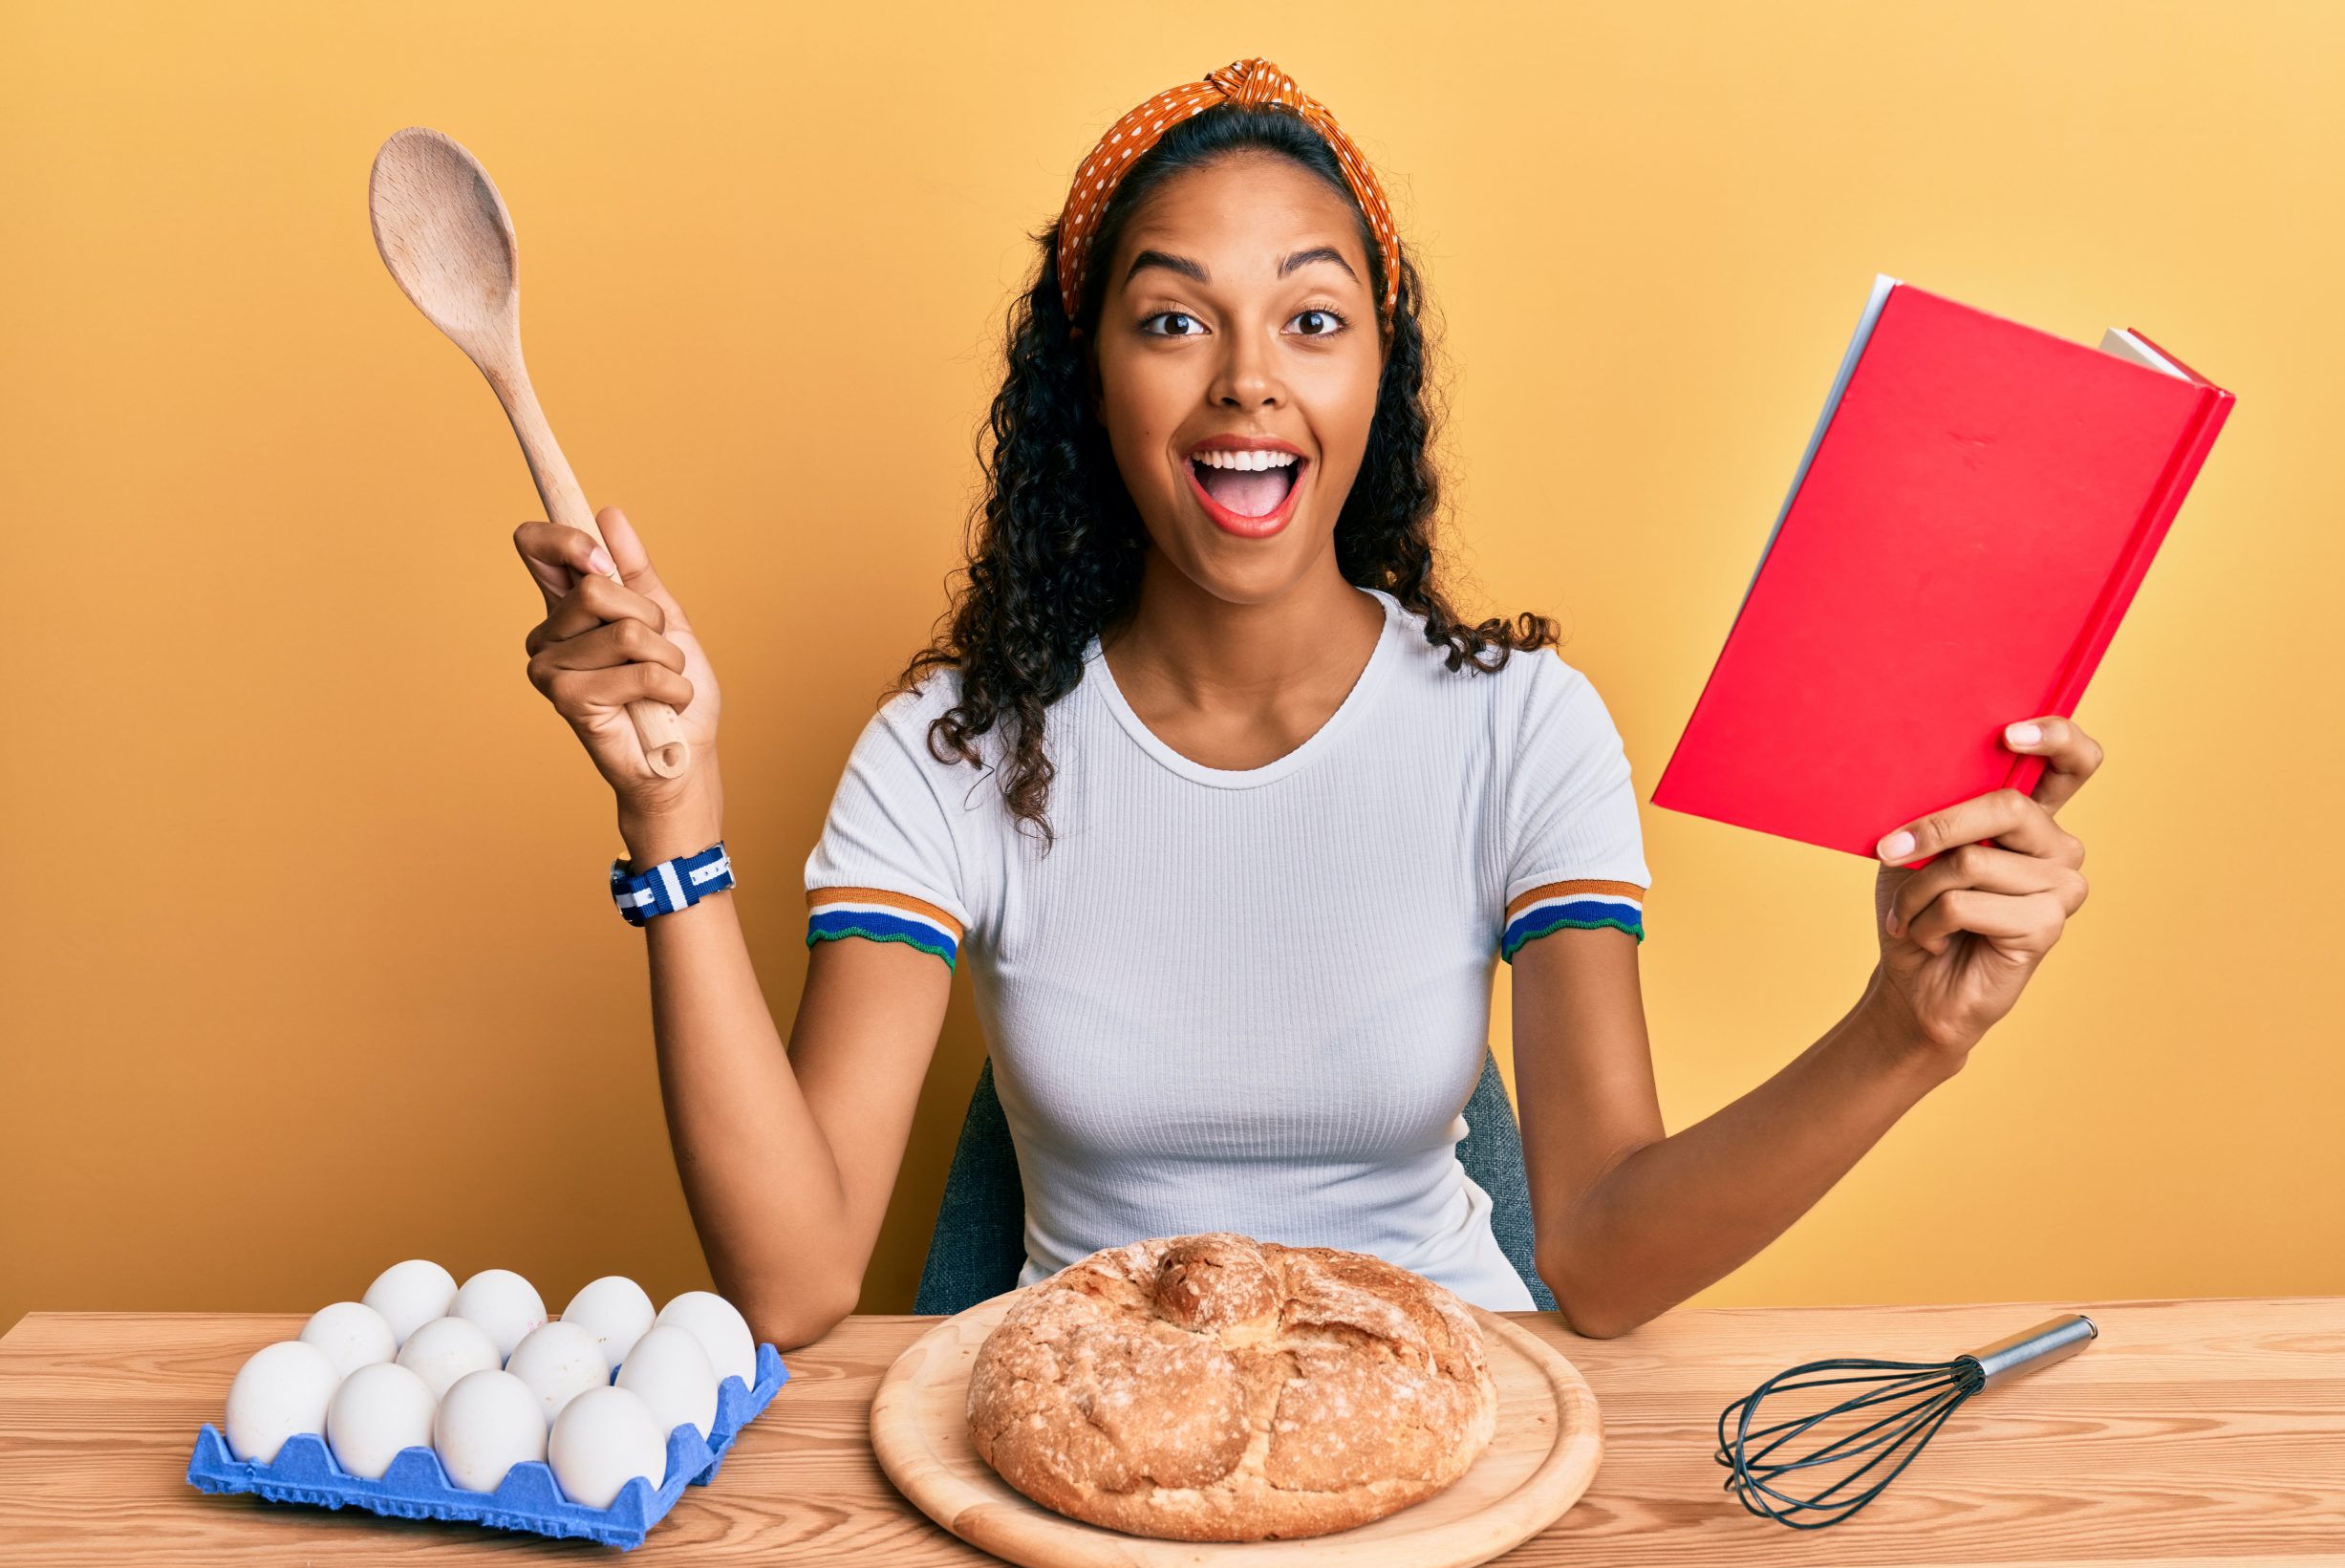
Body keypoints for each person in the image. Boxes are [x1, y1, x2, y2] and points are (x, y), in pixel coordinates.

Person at [508, 59, 2100, 1346]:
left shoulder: (1521, 728)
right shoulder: (952, 753)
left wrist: (1910, 1032)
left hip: (1456, 1415)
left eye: (1313, 319)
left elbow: (1605, 1261)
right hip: (1087, 1443)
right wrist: (675, 823)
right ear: (1094, 386)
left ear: (1376, 382)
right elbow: (791, 1286)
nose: (1249, 379)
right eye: (1175, 319)